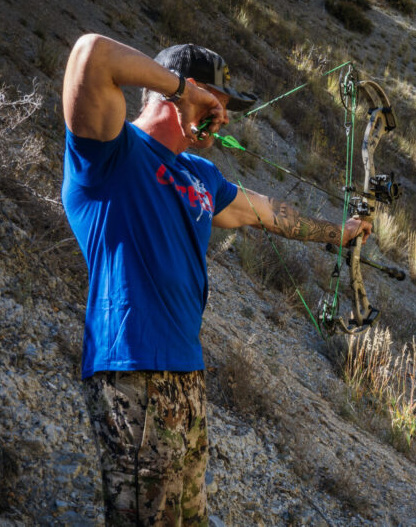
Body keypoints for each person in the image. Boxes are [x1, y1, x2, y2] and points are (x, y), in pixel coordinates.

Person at [61, 34, 370, 525]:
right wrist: (182, 86)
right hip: (133, 370)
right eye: (215, 102)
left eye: (225, 107)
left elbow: (263, 212)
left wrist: (338, 234)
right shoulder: (109, 152)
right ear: (175, 95)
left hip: (186, 375)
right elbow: (90, 54)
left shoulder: (200, 175)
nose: (223, 116)